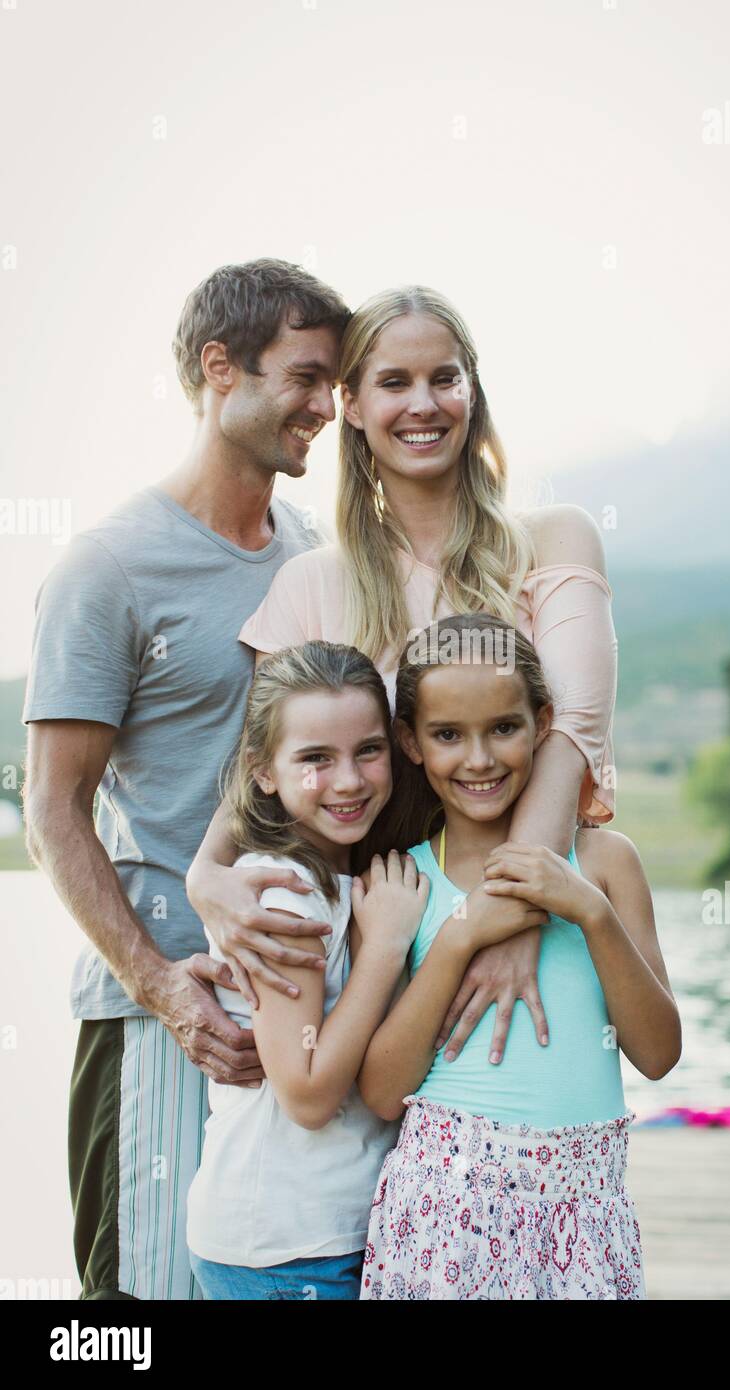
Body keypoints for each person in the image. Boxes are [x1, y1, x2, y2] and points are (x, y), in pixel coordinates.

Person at [21, 259, 350, 1300]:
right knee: (135, 1312)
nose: (326, 407)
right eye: (305, 376)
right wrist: (163, 991)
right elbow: (50, 809)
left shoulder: (309, 551)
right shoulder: (109, 566)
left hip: (299, 1016)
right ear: (220, 368)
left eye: (335, 381)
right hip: (168, 1002)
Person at [187, 284, 619, 1072]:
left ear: (472, 392)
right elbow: (266, 764)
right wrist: (204, 875)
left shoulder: (556, 539)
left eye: (444, 379)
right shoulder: (312, 582)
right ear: (351, 405)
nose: (423, 404)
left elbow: (575, 732)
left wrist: (509, 921)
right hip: (379, 937)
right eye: (394, 383)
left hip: (530, 914)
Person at [357, 614, 682, 1299]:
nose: (478, 760)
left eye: (503, 728)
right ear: (411, 743)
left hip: (586, 1212)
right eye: (448, 735)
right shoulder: (402, 882)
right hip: (445, 1214)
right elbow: (383, 1092)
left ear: (542, 722)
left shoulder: (606, 862)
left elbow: (657, 1054)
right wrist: (458, 937)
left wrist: (589, 910)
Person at [185, 641, 429, 1300]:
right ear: (264, 772)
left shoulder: (338, 874)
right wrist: (384, 949)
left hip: (324, 1236)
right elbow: (308, 1094)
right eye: (315, 759)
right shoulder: (284, 889)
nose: (347, 780)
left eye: (367, 751)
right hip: (285, 1250)